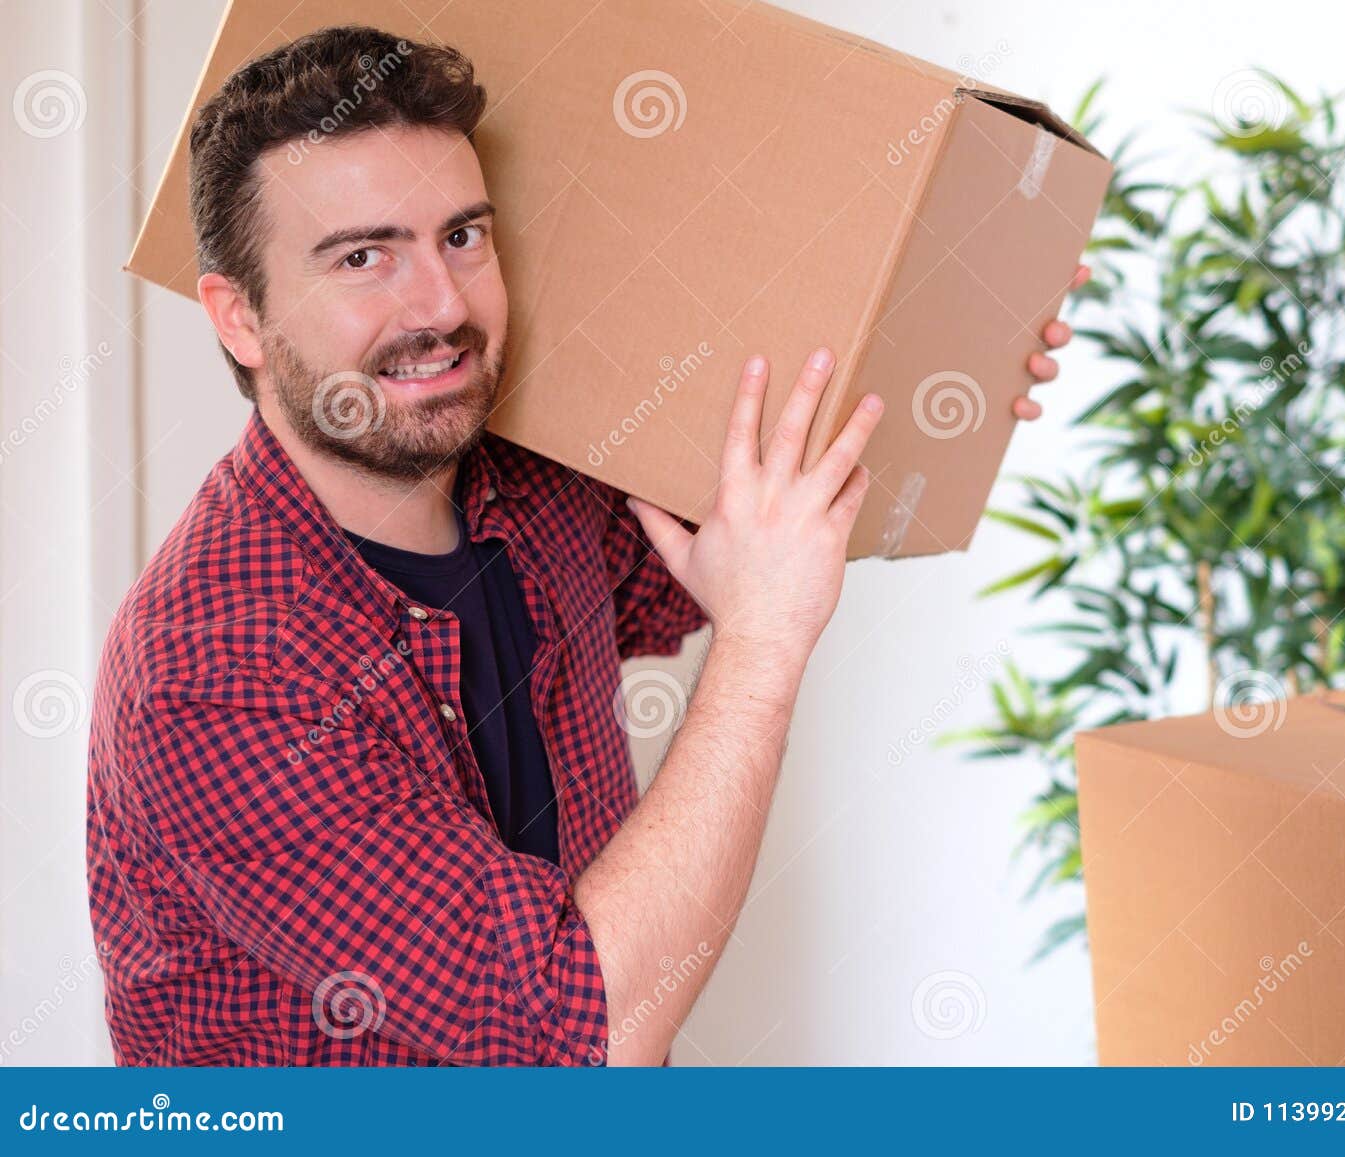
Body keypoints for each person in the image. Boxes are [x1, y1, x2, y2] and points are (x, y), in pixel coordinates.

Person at [85, 25, 1087, 1066]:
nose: (441, 304)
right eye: (363, 256)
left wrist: (958, 345)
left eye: (463, 236)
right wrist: (764, 645)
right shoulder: (214, 671)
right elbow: (578, 1036)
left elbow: (732, 548)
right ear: (240, 319)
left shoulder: (525, 485)